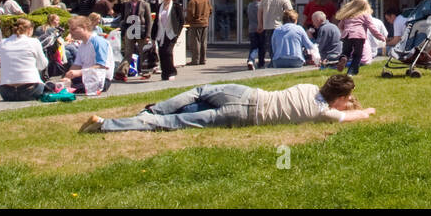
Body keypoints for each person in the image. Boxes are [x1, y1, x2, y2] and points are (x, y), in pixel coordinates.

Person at [81, 73, 375, 133]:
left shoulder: (307, 87)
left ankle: (151, 109)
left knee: (198, 94)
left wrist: (347, 103)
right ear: (339, 99)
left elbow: (336, 104)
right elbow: (351, 117)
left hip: (246, 93)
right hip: (246, 116)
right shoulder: (320, 113)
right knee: (175, 123)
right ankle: (106, 125)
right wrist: (364, 111)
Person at [0, 18, 49, 101]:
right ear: (30, 30)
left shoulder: (3, 42)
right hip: (30, 90)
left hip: (6, 92)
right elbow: (42, 65)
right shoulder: (34, 42)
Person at [64, 15, 113, 95]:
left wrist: (79, 73)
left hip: (101, 79)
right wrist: (67, 77)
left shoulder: (98, 42)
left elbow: (101, 65)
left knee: (71, 89)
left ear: (84, 27)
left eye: (73, 29)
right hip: (86, 77)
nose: (70, 32)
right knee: (61, 86)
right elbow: (77, 65)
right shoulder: (82, 45)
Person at [336, 0, 385, 75]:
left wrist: (344, 31)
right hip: (358, 36)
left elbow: (340, 26)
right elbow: (372, 28)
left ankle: (343, 59)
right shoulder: (365, 15)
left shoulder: (348, 15)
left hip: (347, 35)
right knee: (357, 55)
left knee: (345, 52)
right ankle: (351, 73)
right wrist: (380, 37)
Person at [257, 0, 292, 70]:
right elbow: (290, 11)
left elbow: (259, 12)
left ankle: (273, 61)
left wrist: (260, 24)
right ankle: (276, 62)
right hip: (280, 26)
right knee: (279, 45)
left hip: (268, 26)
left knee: (270, 45)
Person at [120, 0, 154, 76]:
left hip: (141, 30)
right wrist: (123, 32)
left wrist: (148, 35)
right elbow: (124, 19)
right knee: (128, 52)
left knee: (143, 52)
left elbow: (149, 21)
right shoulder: (127, 4)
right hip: (130, 29)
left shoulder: (145, 4)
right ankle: (122, 72)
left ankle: (145, 72)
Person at [153, 0, 183, 81]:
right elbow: (156, 21)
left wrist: (177, 33)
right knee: (162, 53)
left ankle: (171, 71)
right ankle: (164, 73)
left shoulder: (176, 6)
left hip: (171, 33)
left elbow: (181, 20)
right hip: (161, 33)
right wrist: (152, 35)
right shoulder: (159, 6)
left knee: (168, 52)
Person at [186, 0, 213, 66]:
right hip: (205, 23)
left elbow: (191, 13)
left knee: (195, 42)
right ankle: (203, 59)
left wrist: (188, 21)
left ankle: (195, 60)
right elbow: (210, 10)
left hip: (195, 24)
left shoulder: (193, 1)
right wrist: (206, 18)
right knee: (203, 42)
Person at [245, 0, 265, 71]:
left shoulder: (249, 5)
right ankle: (261, 63)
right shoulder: (261, 6)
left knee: (253, 46)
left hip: (251, 28)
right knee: (261, 47)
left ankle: (251, 60)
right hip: (260, 28)